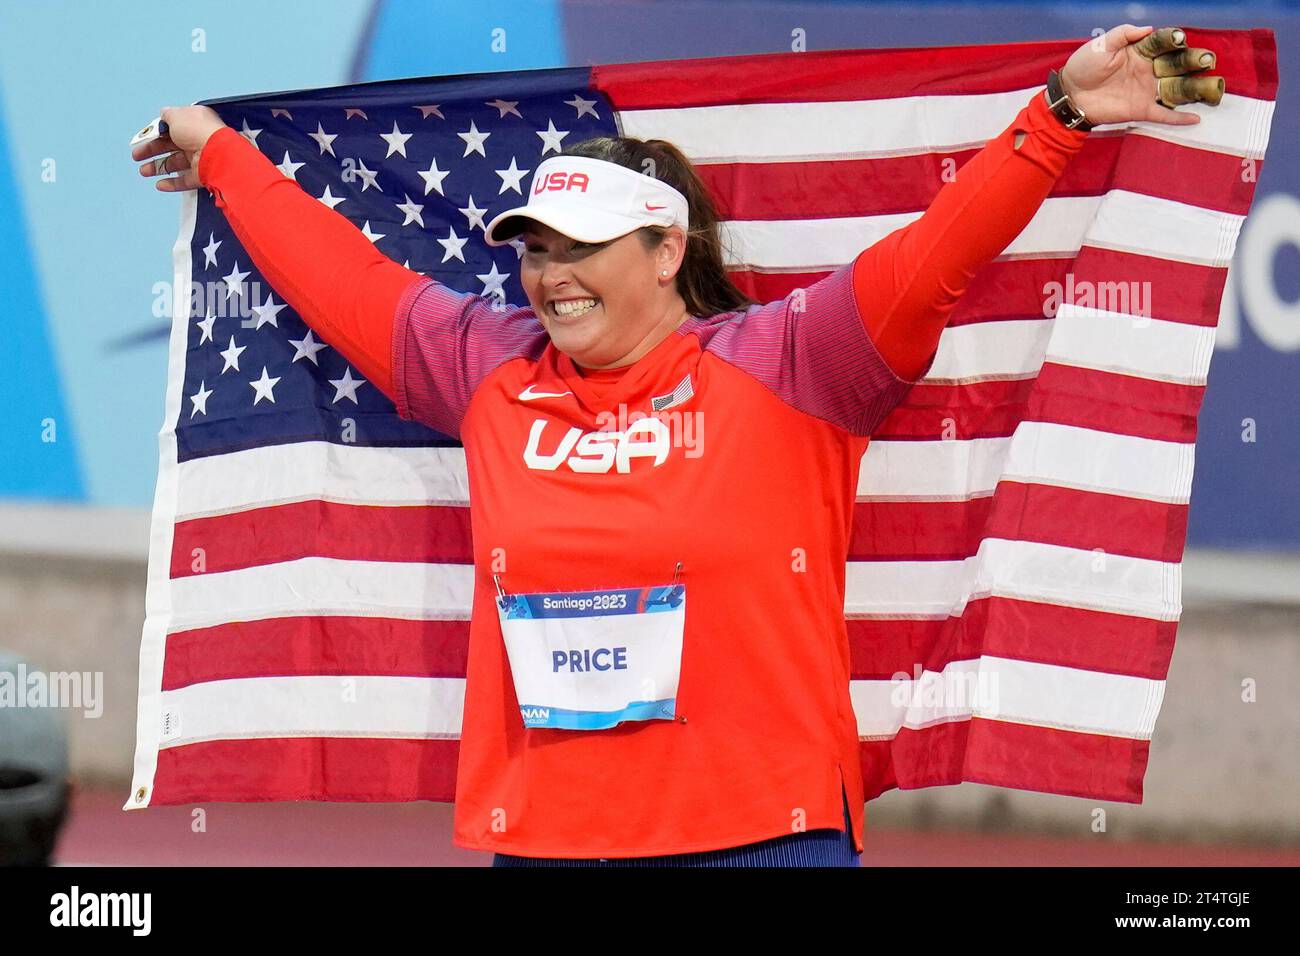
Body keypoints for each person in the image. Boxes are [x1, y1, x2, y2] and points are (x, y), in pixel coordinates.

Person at [132, 25, 1222, 866]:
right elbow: (347, 281)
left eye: (586, 247)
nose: (551, 273)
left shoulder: (796, 360)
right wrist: (222, 154)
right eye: (535, 248)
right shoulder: (487, 366)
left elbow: (942, 248)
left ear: (665, 251)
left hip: (761, 838)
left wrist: (1062, 113)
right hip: (550, 841)